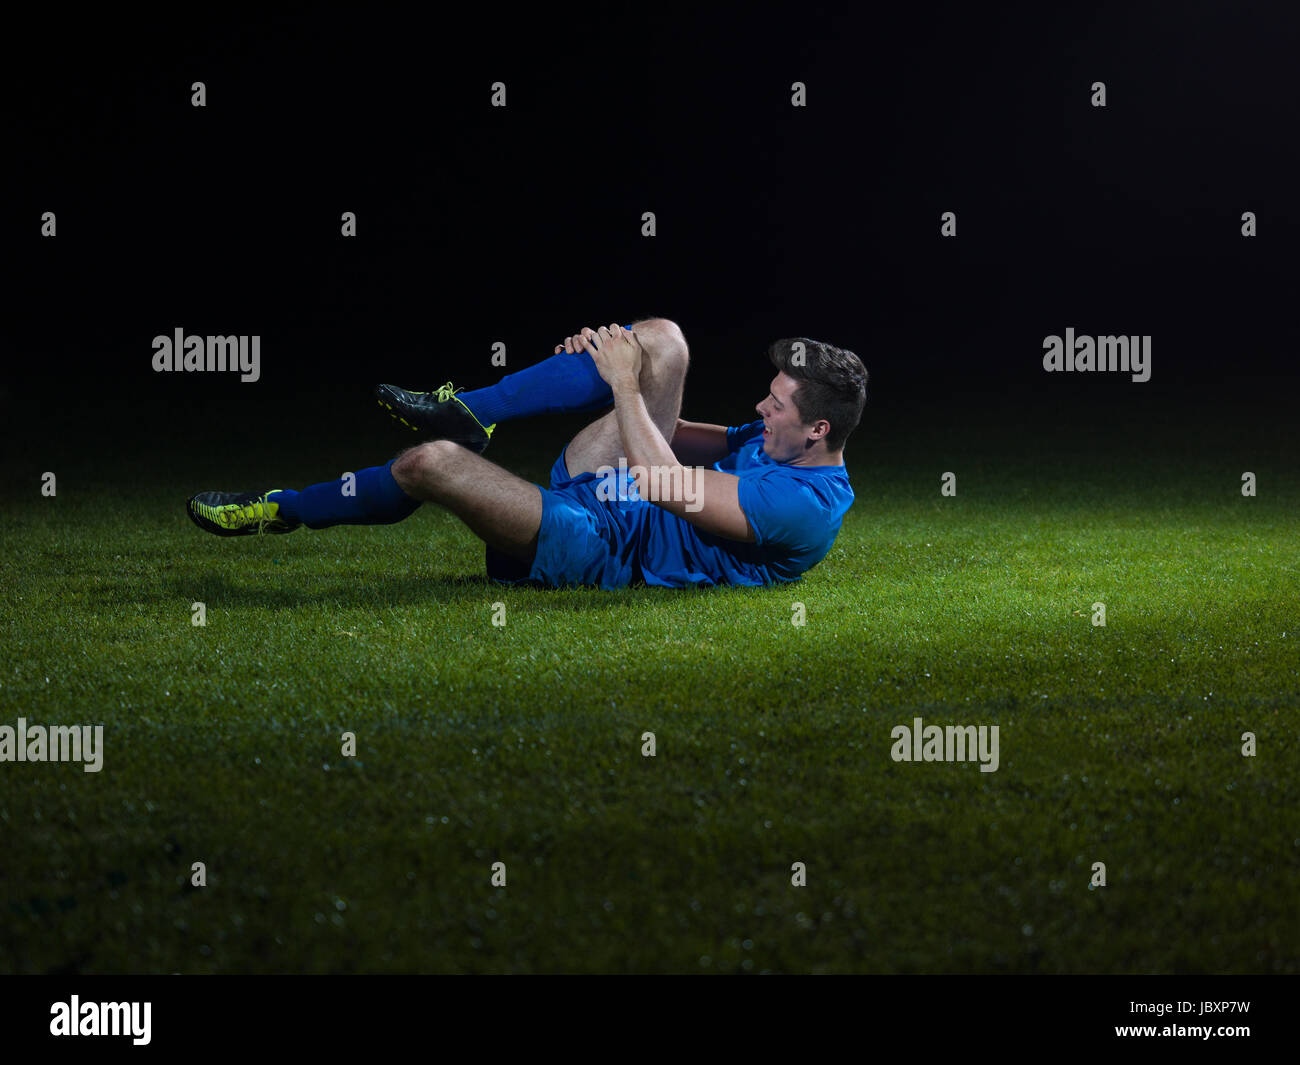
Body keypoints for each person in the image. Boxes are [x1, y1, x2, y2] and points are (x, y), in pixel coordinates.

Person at [187, 318, 868, 588]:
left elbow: (665, 484)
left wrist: (624, 388)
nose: (759, 409)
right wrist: (616, 364)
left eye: (776, 405)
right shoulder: (773, 444)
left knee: (426, 465)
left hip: (601, 549)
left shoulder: (803, 506)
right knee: (666, 340)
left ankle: (279, 508)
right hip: (601, 493)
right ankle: (475, 410)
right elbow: (672, 430)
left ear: (817, 432)